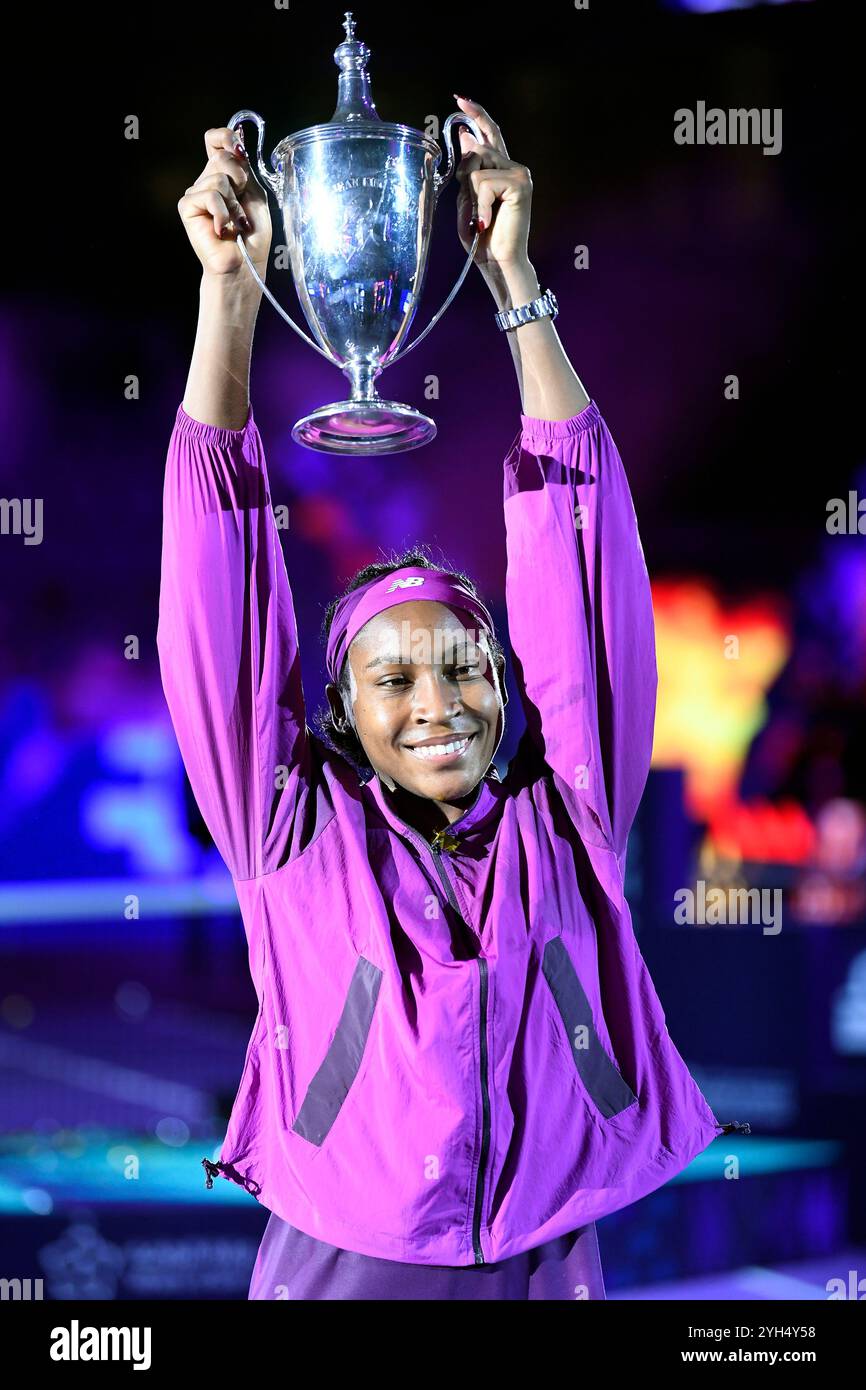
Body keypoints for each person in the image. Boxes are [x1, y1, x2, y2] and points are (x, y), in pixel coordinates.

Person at [159, 100, 742, 1301]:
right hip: (346, 1254)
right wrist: (230, 291)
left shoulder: (563, 815)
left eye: (467, 665)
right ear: (342, 713)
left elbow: (581, 559)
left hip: (541, 1246)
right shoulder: (291, 832)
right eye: (394, 677)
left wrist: (515, 277)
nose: (441, 701)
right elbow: (217, 574)